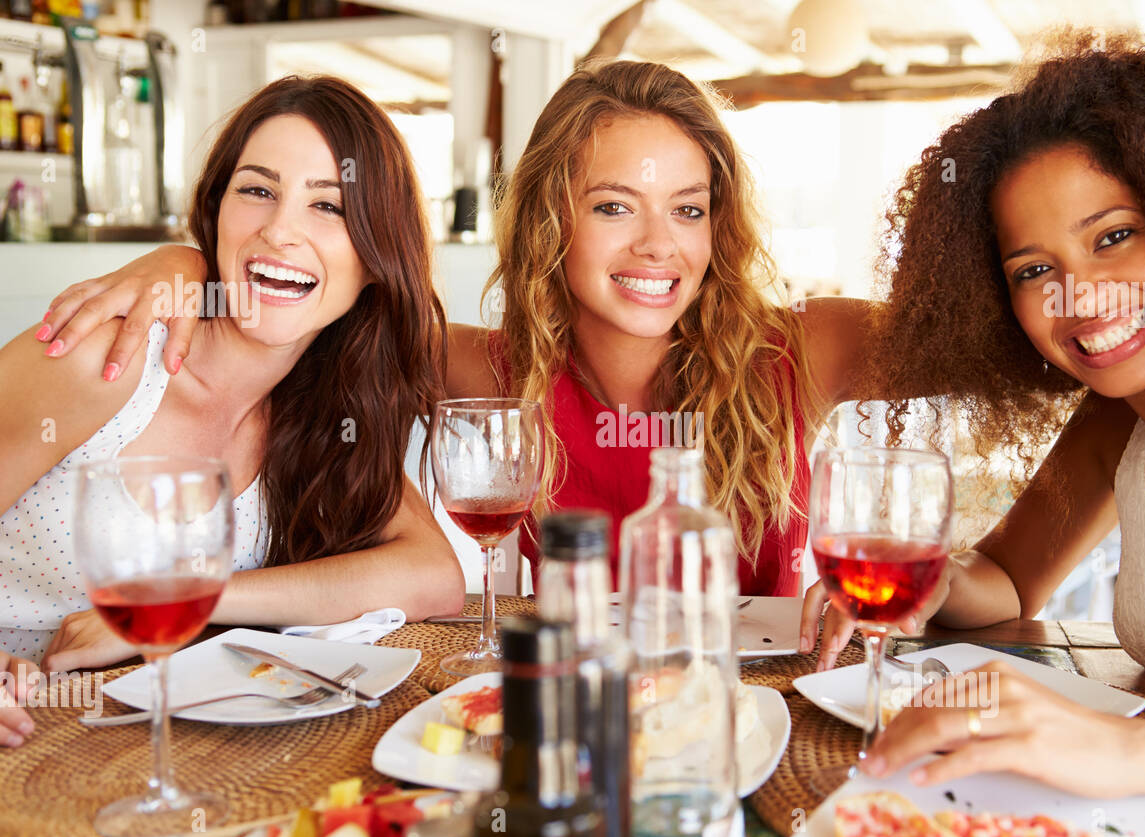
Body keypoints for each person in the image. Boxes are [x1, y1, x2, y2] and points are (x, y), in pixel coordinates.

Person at [37, 60, 899, 597]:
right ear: (550, 224)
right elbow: (318, 308)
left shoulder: (805, 349)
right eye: (612, 205)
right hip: (569, 721)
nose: (657, 246)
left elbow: (1014, 352)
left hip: (773, 721)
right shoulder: (480, 370)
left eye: (688, 209)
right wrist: (185, 265)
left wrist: (1017, 572)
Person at [809, 36, 1145, 821]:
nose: (1081, 294)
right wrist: (918, 577)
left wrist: (1116, 750)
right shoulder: (1124, 416)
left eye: (1113, 236)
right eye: (1033, 271)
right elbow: (1007, 577)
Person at [0, 76, 465, 746]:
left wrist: (191, 600)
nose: (280, 230)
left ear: (375, 259)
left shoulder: (323, 412)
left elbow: (433, 577)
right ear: (216, 211)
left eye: (328, 207)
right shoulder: (108, 356)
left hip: (140, 757)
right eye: (257, 190)